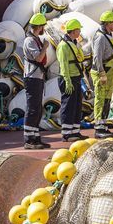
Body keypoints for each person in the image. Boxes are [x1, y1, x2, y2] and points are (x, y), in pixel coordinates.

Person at [21, 13, 50, 149]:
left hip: (37, 77)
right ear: (39, 26)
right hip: (32, 78)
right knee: (32, 108)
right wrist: (45, 47)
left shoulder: (36, 39)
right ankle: (29, 140)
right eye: (43, 26)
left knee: (37, 109)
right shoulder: (30, 41)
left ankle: (36, 137)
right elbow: (38, 58)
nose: (44, 28)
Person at [90, 9, 113, 138]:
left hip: (109, 72)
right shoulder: (100, 37)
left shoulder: (108, 35)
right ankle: (98, 128)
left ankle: (103, 125)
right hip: (103, 72)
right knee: (100, 99)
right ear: (108, 24)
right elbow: (97, 57)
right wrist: (101, 72)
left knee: (107, 99)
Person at [56, 18, 88, 141]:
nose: (80, 32)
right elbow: (63, 65)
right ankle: (66, 133)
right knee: (68, 105)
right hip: (67, 78)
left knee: (77, 105)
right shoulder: (63, 46)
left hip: (76, 77)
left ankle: (75, 131)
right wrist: (67, 81)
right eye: (78, 30)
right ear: (74, 31)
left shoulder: (74, 43)